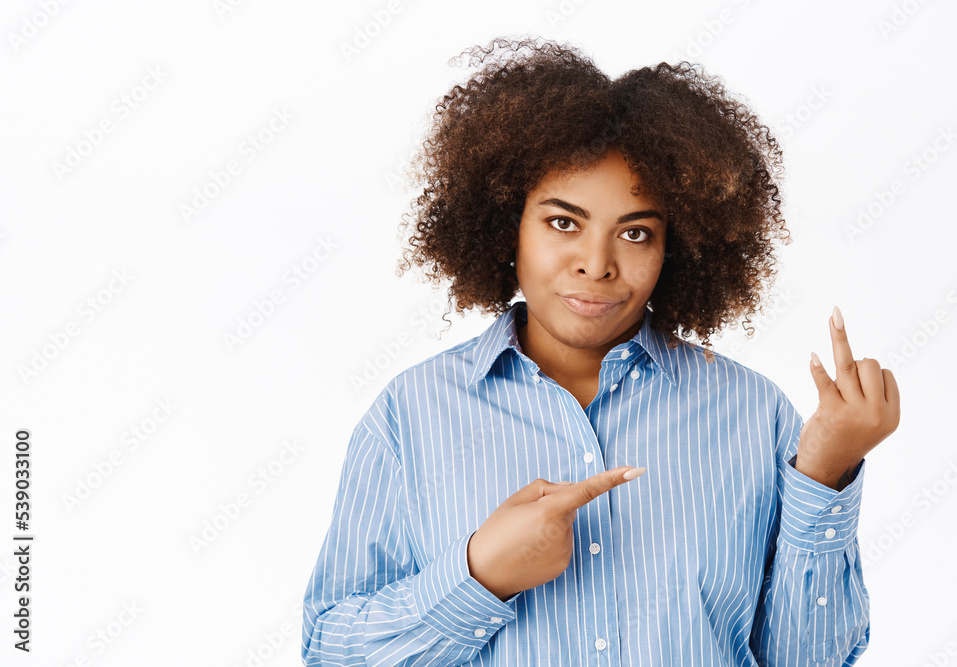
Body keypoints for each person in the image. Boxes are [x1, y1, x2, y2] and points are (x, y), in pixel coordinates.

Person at [301, 36, 900, 666]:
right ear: (510, 227)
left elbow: (805, 660)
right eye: (564, 222)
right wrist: (479, 575)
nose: (596, 265)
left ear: (677, 248)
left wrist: (827, 473)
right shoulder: (412, 412)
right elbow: (332, 652)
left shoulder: (752, 412)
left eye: (635, 233)